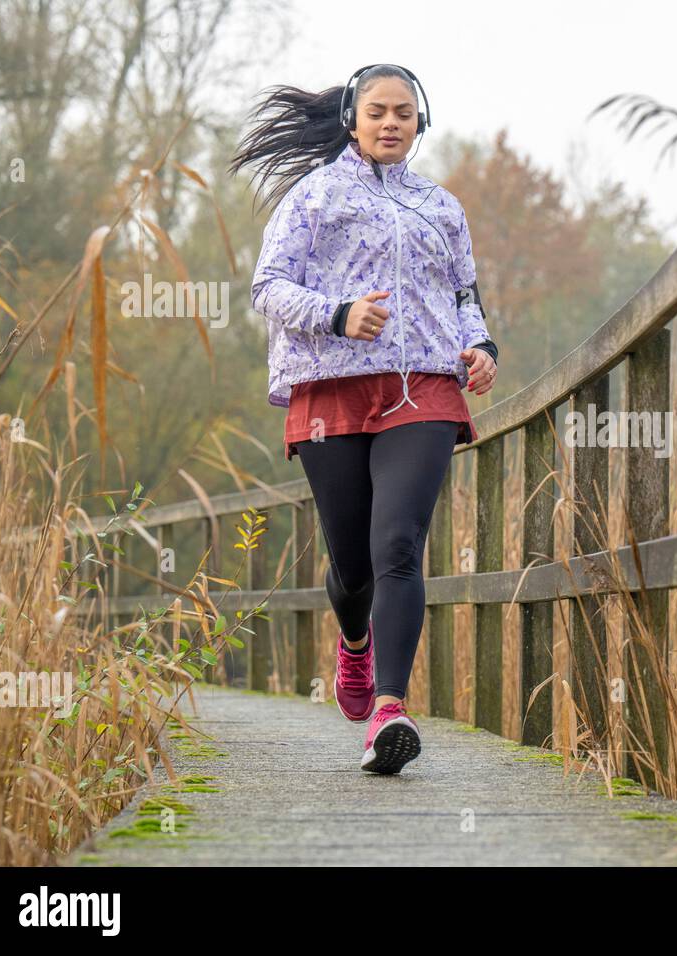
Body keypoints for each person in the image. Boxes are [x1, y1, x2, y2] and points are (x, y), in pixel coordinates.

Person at [229, 64, 498, 774]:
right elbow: (269, 287)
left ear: (420, 121)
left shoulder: (441, 206)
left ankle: (389, 709)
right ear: (352, 117)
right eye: (377, 111)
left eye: (404, 113)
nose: (391, 123)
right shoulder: (313, 198)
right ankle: (354, 643)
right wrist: (339, 316)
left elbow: (464, 291)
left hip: (424, 391)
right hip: (331, 389)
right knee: (352, 563)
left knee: (399, 544)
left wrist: (479, 343)